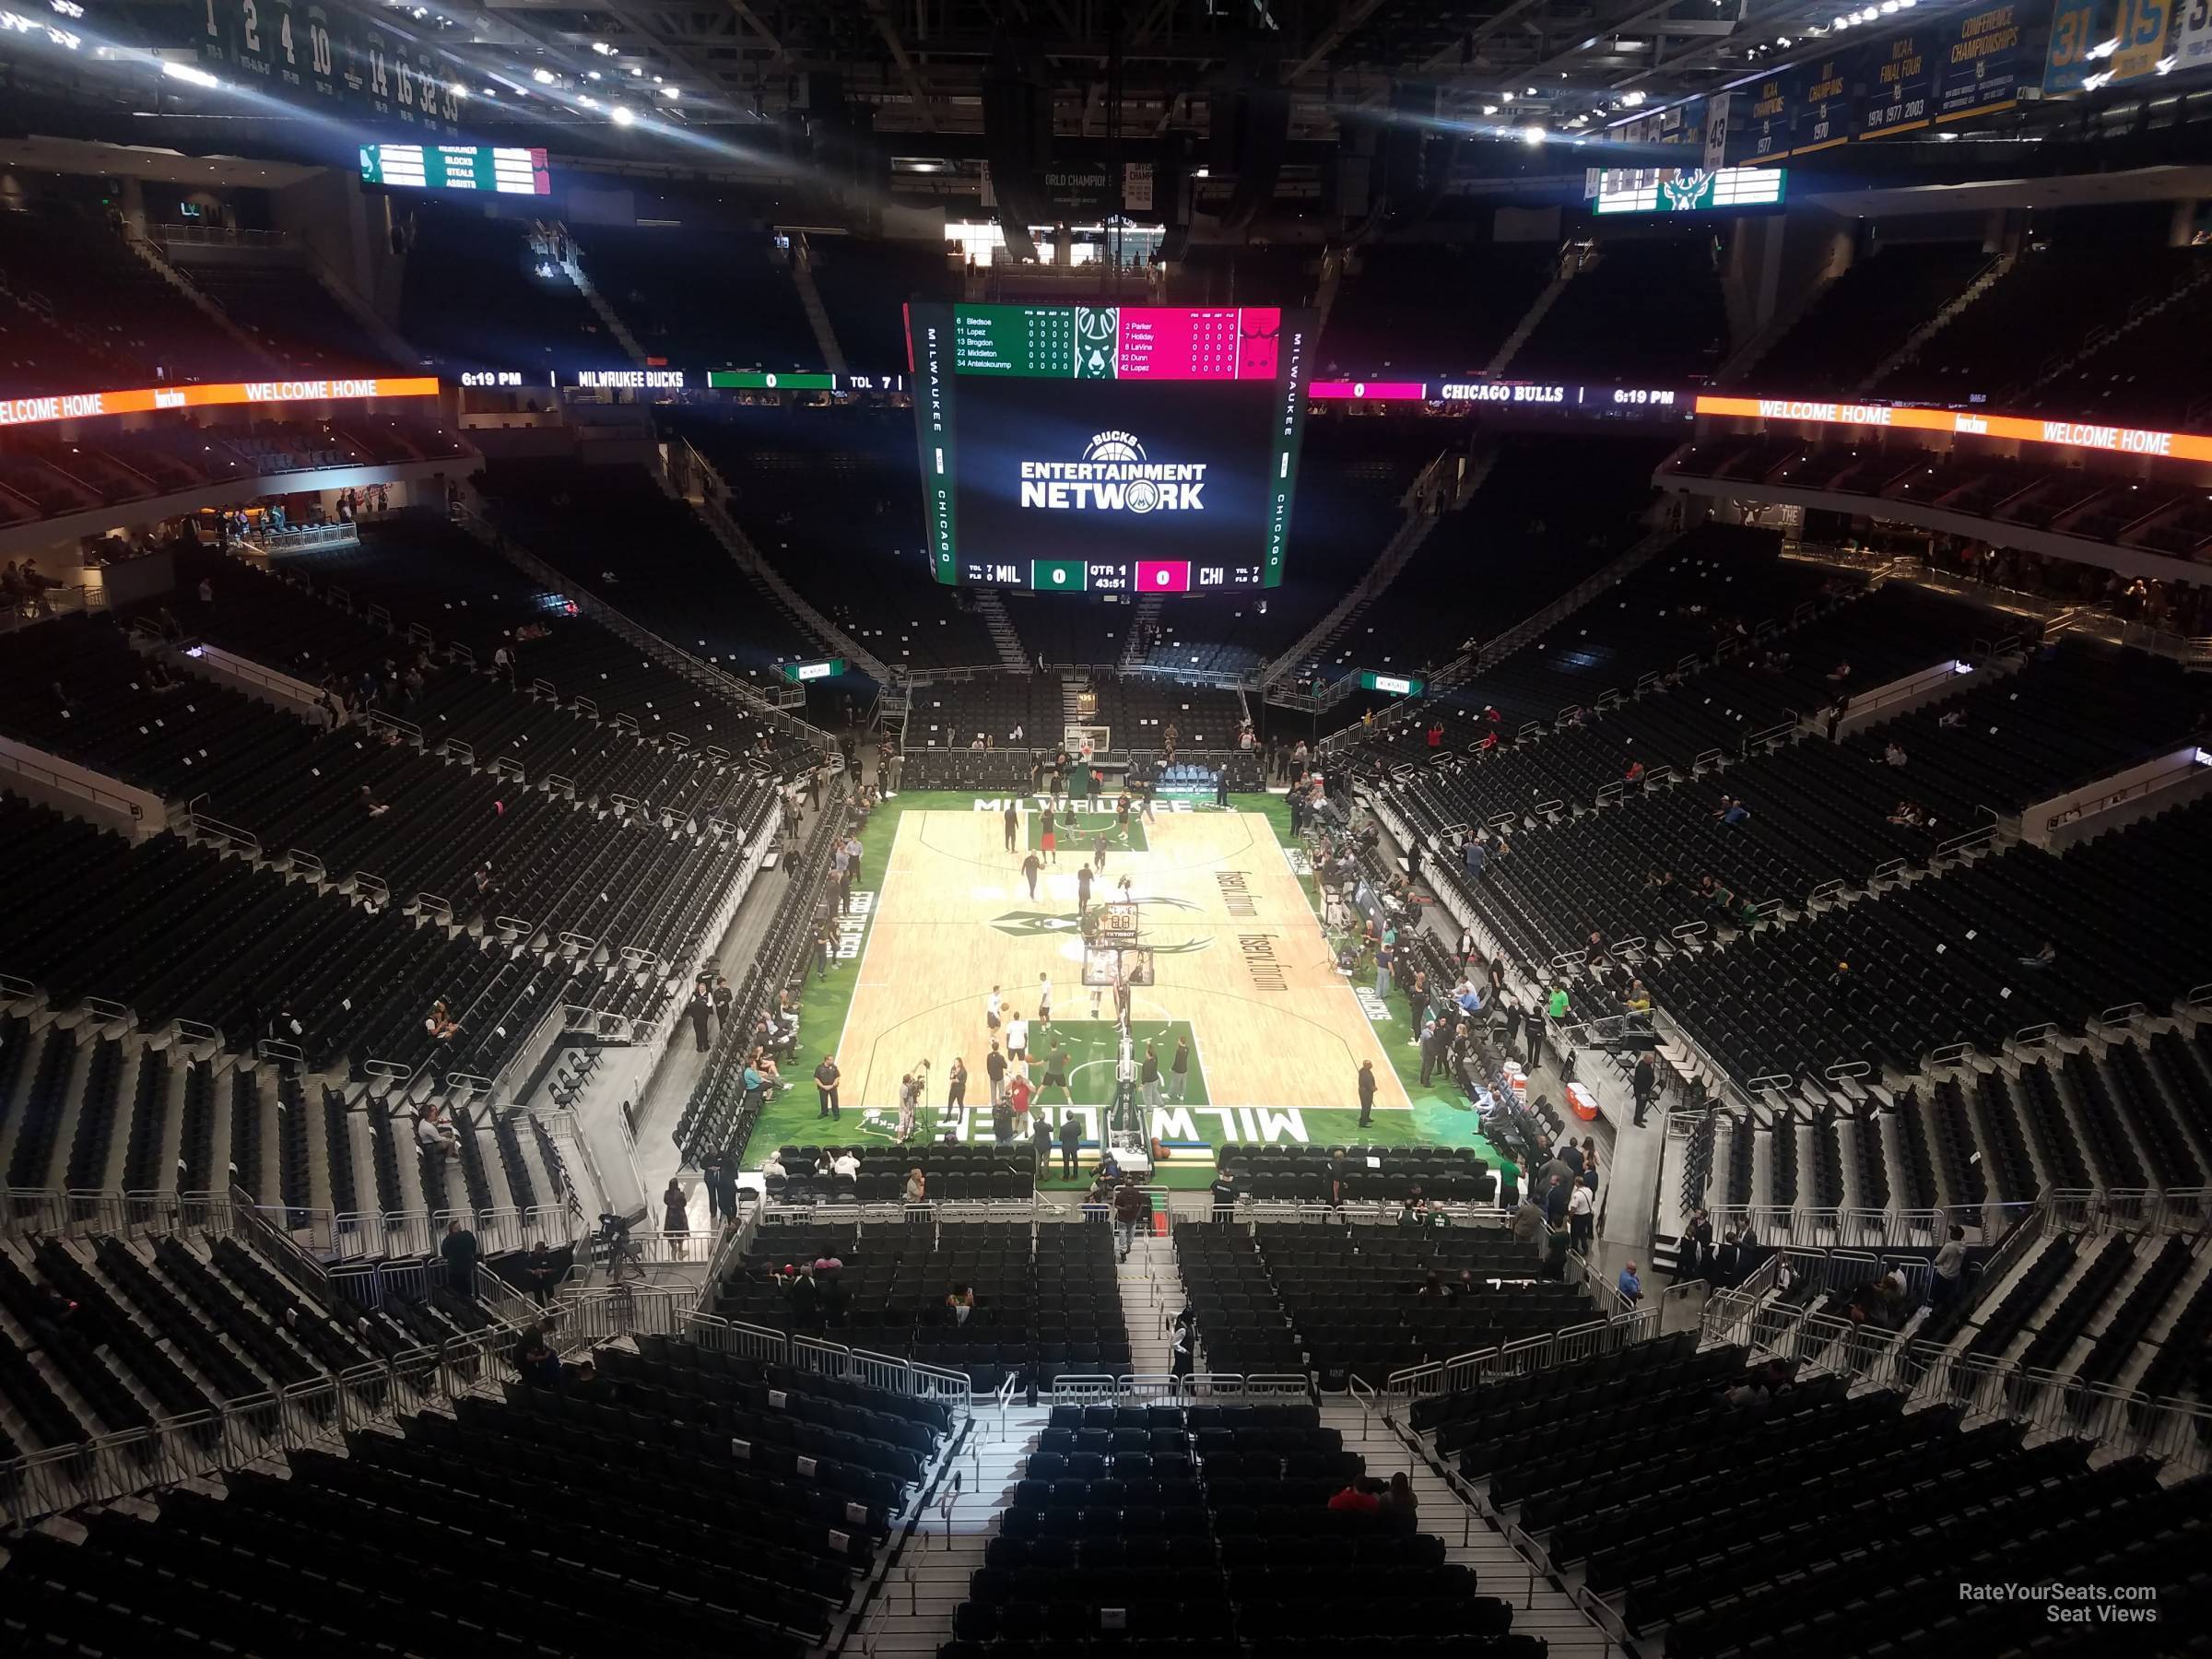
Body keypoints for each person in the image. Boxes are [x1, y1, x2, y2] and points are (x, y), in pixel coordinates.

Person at [441, 1218, 479, 1296]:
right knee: (469, 1290)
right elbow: (474, 1247)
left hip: (454, 1270)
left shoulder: (447, 1240)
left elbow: (444, 1254)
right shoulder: (468, 1234)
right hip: (468, 1267)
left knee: (457, 1292)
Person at [1112, 1178, 1146, 1263]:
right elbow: (1116, 1205)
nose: (1129, 1187)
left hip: (1133, 1218)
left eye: (1130, 1186)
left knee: (1131, 1235)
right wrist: (1124, 1209)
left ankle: (1128, 1246)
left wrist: (1138, 1213)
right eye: (1128, 1186)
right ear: (1126, 1186)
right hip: (1122, 1219)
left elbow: (1141, 1203)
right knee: (1122, 1234)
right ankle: (1123, 1251)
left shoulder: (1136, 1194)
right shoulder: (1121, 1194)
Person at [1932, 1223, 1967, 1306]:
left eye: (1953, 1232)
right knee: (1946, 1299)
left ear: (1956, 1235)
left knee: (1937, 1298)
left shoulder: (1948, 1246)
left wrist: (1936, 1262)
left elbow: (1938, 1260)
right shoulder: (1964, 1247)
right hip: (1954, 1276)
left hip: (1943, 1275)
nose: (1951, 1233)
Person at [663, 1178, 688, 1256]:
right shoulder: (681, 1194)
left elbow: (665, 1201)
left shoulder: (667, 1194)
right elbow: (684, 1203)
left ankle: (673, 1248)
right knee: (680, 1234)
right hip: (679, 1217)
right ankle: (680, 1251)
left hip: (670, 1217)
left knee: (670, 1234)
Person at [1631, 1052, 1658, 1127]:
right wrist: (1645, 1089)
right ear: (1646, 1059)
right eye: (1651, 1060)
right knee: (1641, 1104)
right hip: (1642, 1091)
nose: (1652, 1061)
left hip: (1645, 1090)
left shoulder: (1645, 1064)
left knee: (1643, 1104)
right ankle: (1637, 1120)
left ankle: (1640, 1117)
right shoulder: (1642, 1068)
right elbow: (1642, 1082)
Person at [1567, 1178, 1594, 1253]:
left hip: (1578, 1217)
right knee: (1582, 1233)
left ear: (1577, 1183)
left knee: (1574, 1234)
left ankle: (1574, 1250)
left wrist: (1569, 1218)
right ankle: (1585, 1248)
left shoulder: (1577, 1195)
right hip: (1587, 1214)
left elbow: (1573, 1209)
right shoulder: (1589, 1190)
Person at [815, 1053, 841, 1120]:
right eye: (831, 1060)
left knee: (834, 1101)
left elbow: (837, 1077)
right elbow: (816, 1078)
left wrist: (833, 1085)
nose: (832, 1061)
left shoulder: (834, 1067)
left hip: (833, 1088)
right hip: (823, 1088)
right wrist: (823, 1086)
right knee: (823, 1101)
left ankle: (836, 1114)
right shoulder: (819, 1068)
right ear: (826, 1060)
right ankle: (824, 1113)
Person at [1058, 1112, 1082, 1180]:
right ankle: (1075, 1176)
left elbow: (1060, 1139)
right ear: (1072, 1116)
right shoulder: (1077, 1124)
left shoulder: (1063, 1127)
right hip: (1074, 1145)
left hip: (1066, 1146)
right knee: (1075, 1160)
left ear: (1066, 1117)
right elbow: (1079, 1133)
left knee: (1066, 1161)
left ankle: (1066, 1177)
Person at [1031, 1111, 1054, 1175]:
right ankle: (1045, 1176)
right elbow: (1052, 1129)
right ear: (1044, 1118)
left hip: (1038, 1144)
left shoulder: (1035, 1125)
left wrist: (1037, 1118)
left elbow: (1035, 1122)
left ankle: (1038, 1175)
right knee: (1046, 1161)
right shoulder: (1047, 1126)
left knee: (1038, 1160)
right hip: (1046, 1145)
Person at [1356, 1059, 1377, 1128]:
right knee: (1366, 1107)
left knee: (1368, 1105)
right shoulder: (1366, 1073)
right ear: (1367, 1066)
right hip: (1365, 1092)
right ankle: (1362, 1123)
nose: (1371, 1065)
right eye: (1370, 1064)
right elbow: (1368, 1083)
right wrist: (1373, 1088)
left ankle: (1366, 1118)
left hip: (1366, 1091)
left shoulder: (1363, 1070)